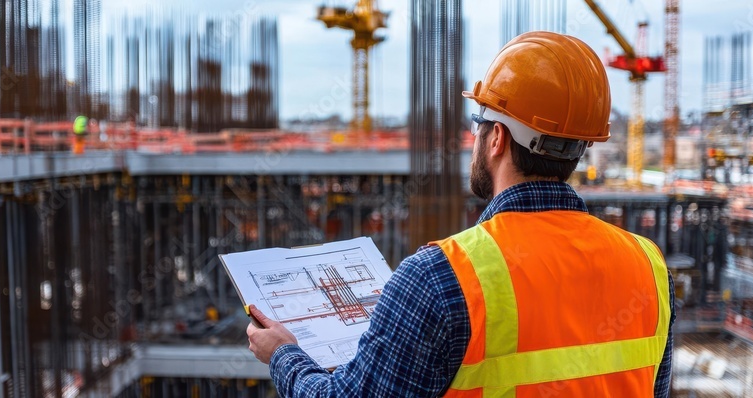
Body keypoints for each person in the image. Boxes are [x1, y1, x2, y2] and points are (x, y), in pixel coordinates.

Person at [247, 31, 676, 397]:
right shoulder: (649, 267)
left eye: (478, 124)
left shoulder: (440, 277)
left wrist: (283, 354)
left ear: (497, 139)